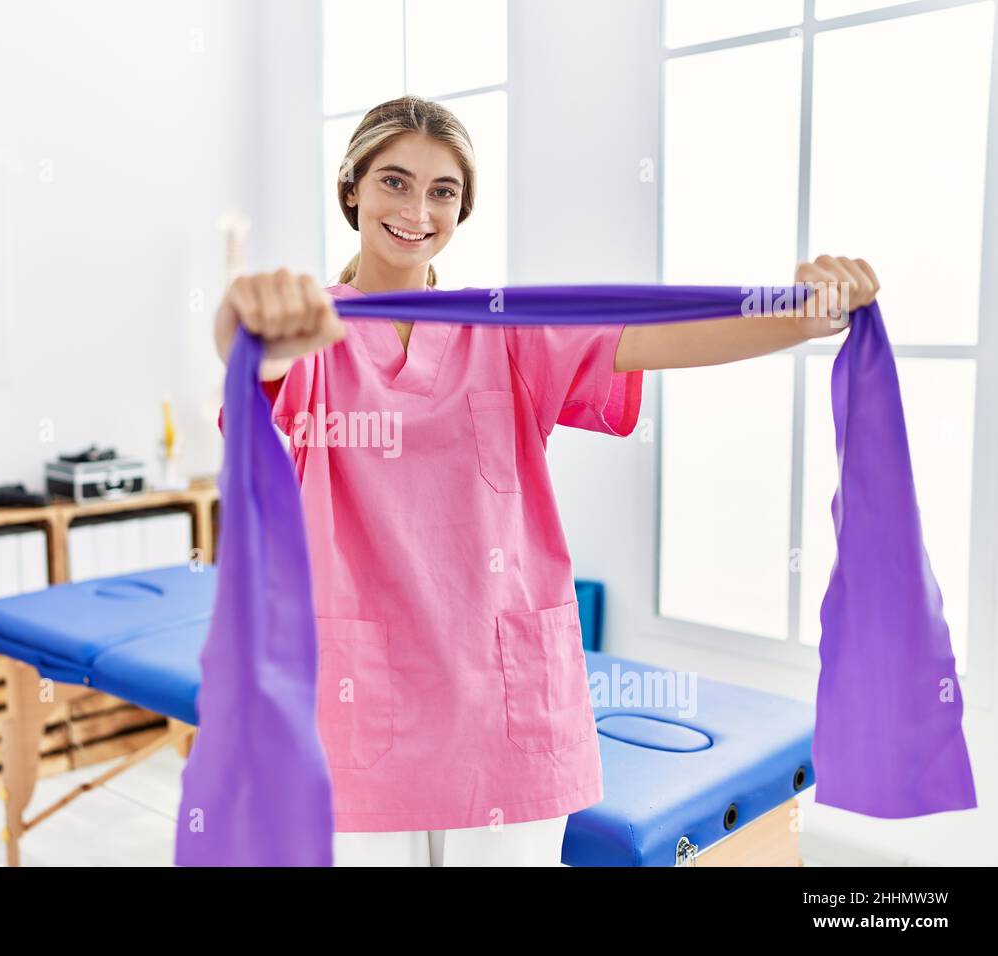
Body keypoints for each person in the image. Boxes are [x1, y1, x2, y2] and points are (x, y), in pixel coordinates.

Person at [213, 95, 878, 867]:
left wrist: (800, 315)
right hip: (350, 705)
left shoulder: (505, 329)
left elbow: (658, 337)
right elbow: (251, 363)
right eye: (394, 182)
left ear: (462, 209)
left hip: (504, 713)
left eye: (442, 191)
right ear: (351, 187)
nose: (417, 209)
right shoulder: (311, 330)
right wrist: (244, 327)